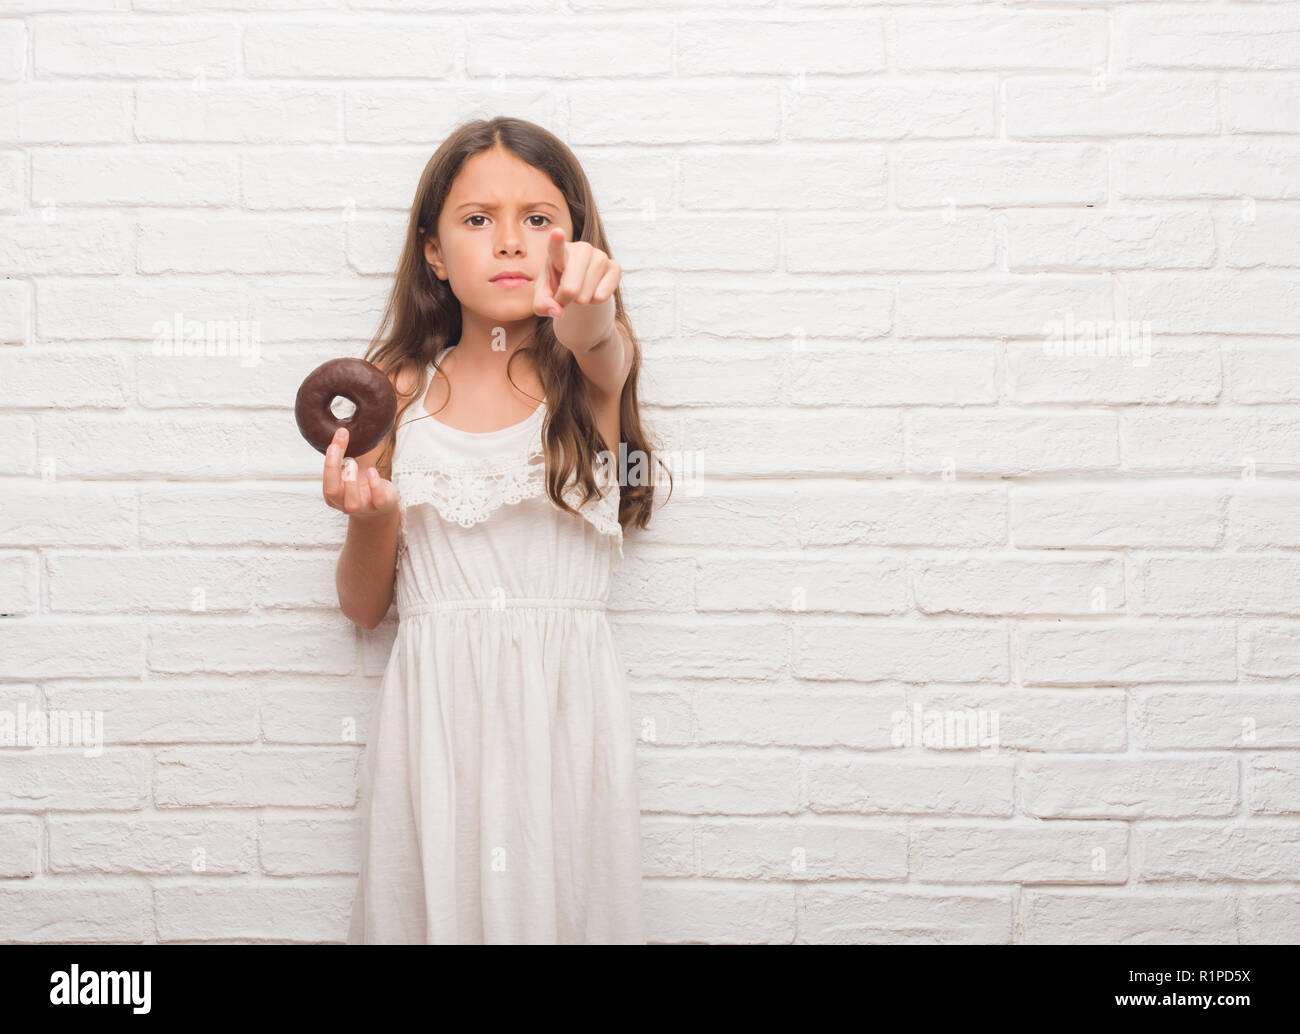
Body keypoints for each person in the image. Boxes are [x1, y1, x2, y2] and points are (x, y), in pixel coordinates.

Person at [326, 117, 669, 944]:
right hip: (434, 726)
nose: (510, 242)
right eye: (478, 220)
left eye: (540, 219)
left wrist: (589, 305)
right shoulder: (397, 392)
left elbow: (597, 341)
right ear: (435, 253)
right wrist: (373, 521)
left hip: (564, 720)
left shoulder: (589, 380)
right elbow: (364, 610)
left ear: (575, 239)